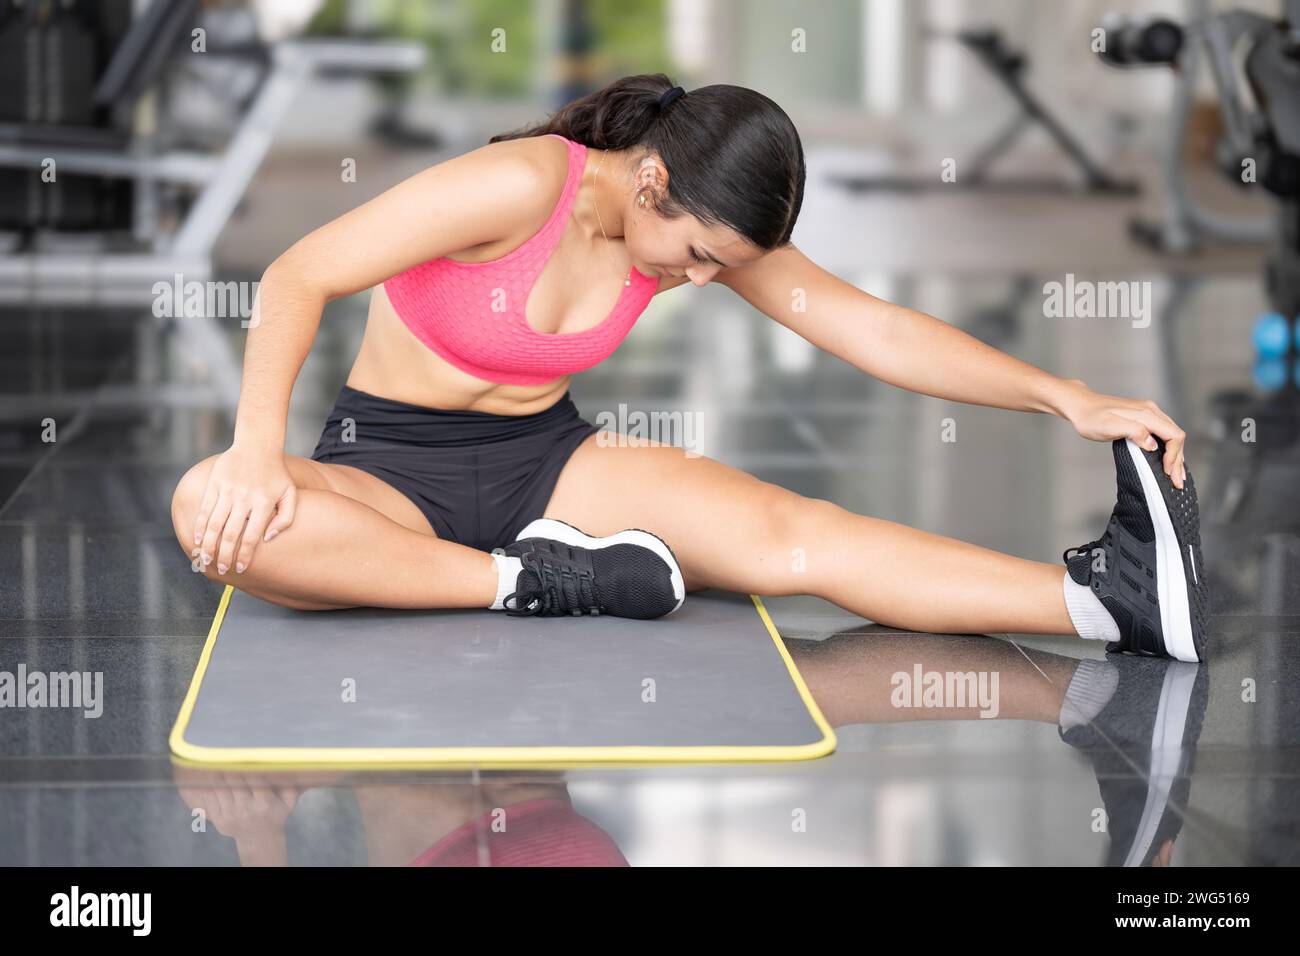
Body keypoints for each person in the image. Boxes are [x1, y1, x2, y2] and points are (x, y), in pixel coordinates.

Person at [170, 74, 1209, 661]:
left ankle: (1098, 600)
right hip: (383, 467)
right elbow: (297, 273)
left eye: (727, 265)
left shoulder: (697, 228)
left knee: (794, 536)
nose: (705, 280)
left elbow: (874, 329)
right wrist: (257, 450)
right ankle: (526, 580)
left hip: (550, 465)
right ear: (651, 178)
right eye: (702, 255)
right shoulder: (518, 186)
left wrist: (1062, 394)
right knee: (206, 510)